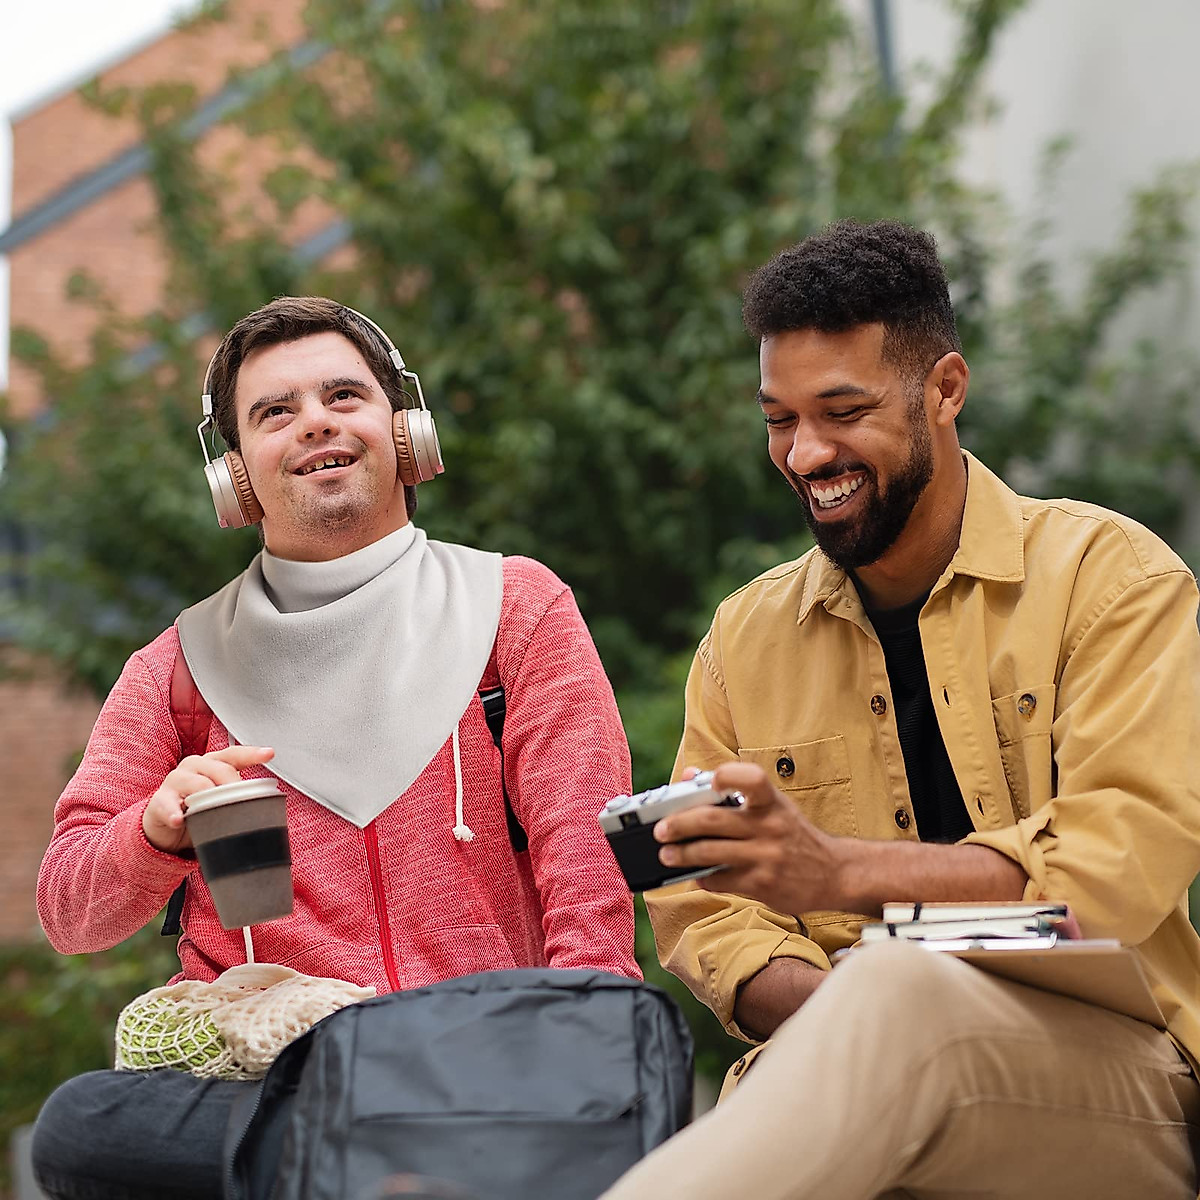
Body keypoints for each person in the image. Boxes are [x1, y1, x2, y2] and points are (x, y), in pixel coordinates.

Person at [601, 219, 1200, 1200]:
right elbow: (705, 907)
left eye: (841, 410)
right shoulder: (745, 638)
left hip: (1123, 1080)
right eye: (777, 419)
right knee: (884, 997)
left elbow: (1119, 866)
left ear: (946, 390)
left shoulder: (1112, 579)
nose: (804, 453)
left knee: (898, 987)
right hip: (851, 1055)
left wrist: (837, 875)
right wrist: (848, 1016)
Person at [32, 296, 639, 1200]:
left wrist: (578, 1058)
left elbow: (586, 878)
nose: (315, 420)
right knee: (78, 1129)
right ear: (235, 474)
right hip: (272, 1083)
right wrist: (153, 833)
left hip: (479, 1058)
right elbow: (68, 909)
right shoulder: (175, 671)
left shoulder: (517, 610)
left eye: (344, 396)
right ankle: (389, 1166)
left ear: (405, 431)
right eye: (275, 412)